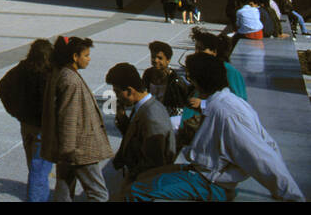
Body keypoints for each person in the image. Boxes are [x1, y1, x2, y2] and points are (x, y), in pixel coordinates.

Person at [124, 54, 305, 202]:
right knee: (145, 176)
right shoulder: (225, 102)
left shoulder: (227, 113)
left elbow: (260, 156)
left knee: (137, 191)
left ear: (198, 81)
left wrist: (291, 195)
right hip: (203, 172)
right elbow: (268, 142)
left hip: (210, 182)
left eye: (190, 77)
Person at [41, 35, 113, 202]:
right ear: (75, 57)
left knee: (63, 192)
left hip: (70, 148)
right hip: (79, 149)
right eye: (86, 55)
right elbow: (68, 116)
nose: (89, 59)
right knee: (99, 194)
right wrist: (68, 150)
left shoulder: (64, 74)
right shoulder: (70, 79)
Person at [104, 63, 175, 197]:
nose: (117, 97)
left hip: (143, 185)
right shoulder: (143, 107)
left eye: (118, 92)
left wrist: (132, 184)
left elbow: (154, 163)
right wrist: (122, 119)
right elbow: (136, 137)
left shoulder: (152, 116)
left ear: (130, 90)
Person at [0, 38, 54, 202]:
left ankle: (37, 195)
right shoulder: (48, 73)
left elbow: (3, 85)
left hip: (26, 124)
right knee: (40, 168)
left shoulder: (21, 69)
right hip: (42, 128)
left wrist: (15, 111)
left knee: (34, 165)